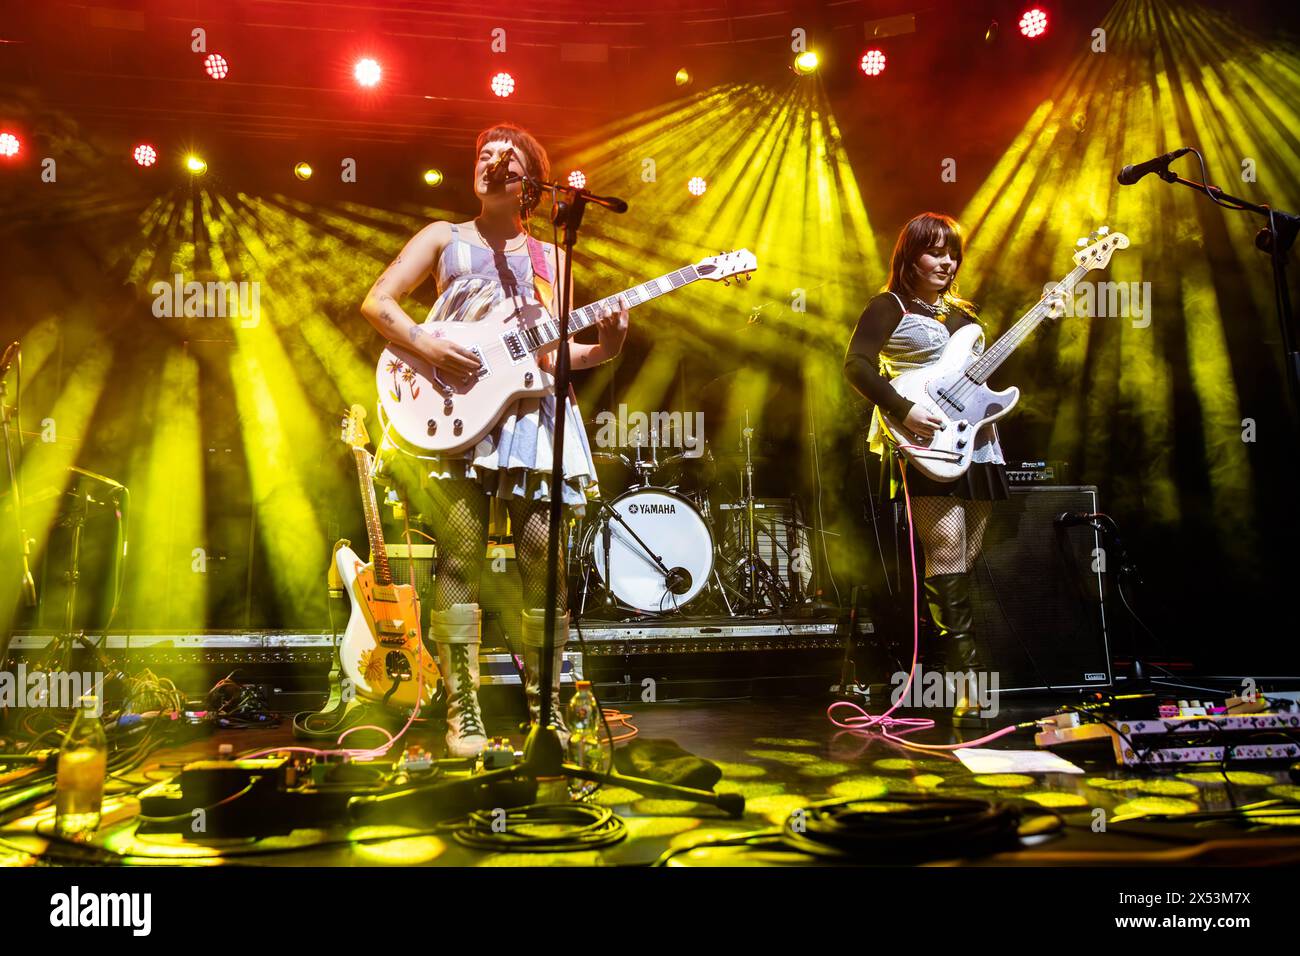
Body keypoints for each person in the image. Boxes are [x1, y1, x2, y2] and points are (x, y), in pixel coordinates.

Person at [359, 123, 629, 756]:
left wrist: (607, 347)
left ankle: (546, 710)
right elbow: (378, 302)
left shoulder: (550, 260)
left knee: (545, 560)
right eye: (481, 155)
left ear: (531, 179)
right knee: (459, 558)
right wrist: (428, 343)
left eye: (505, 157)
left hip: (531, 414)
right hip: (454, 407)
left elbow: (555, 353)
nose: (489, 163)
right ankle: (464, 709)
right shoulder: (442, 238)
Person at [843, 212, 1009, 726]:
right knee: (946, 555)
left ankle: (950, 674)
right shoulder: (887, 305)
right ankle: (971, 687)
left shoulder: (962, 313)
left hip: (977, 442)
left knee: (965, 556)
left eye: (953, 252)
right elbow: (856, 365)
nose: (947, 261)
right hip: (923, 439)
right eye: (935, 251)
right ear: (909, 256)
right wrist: (901, 407)